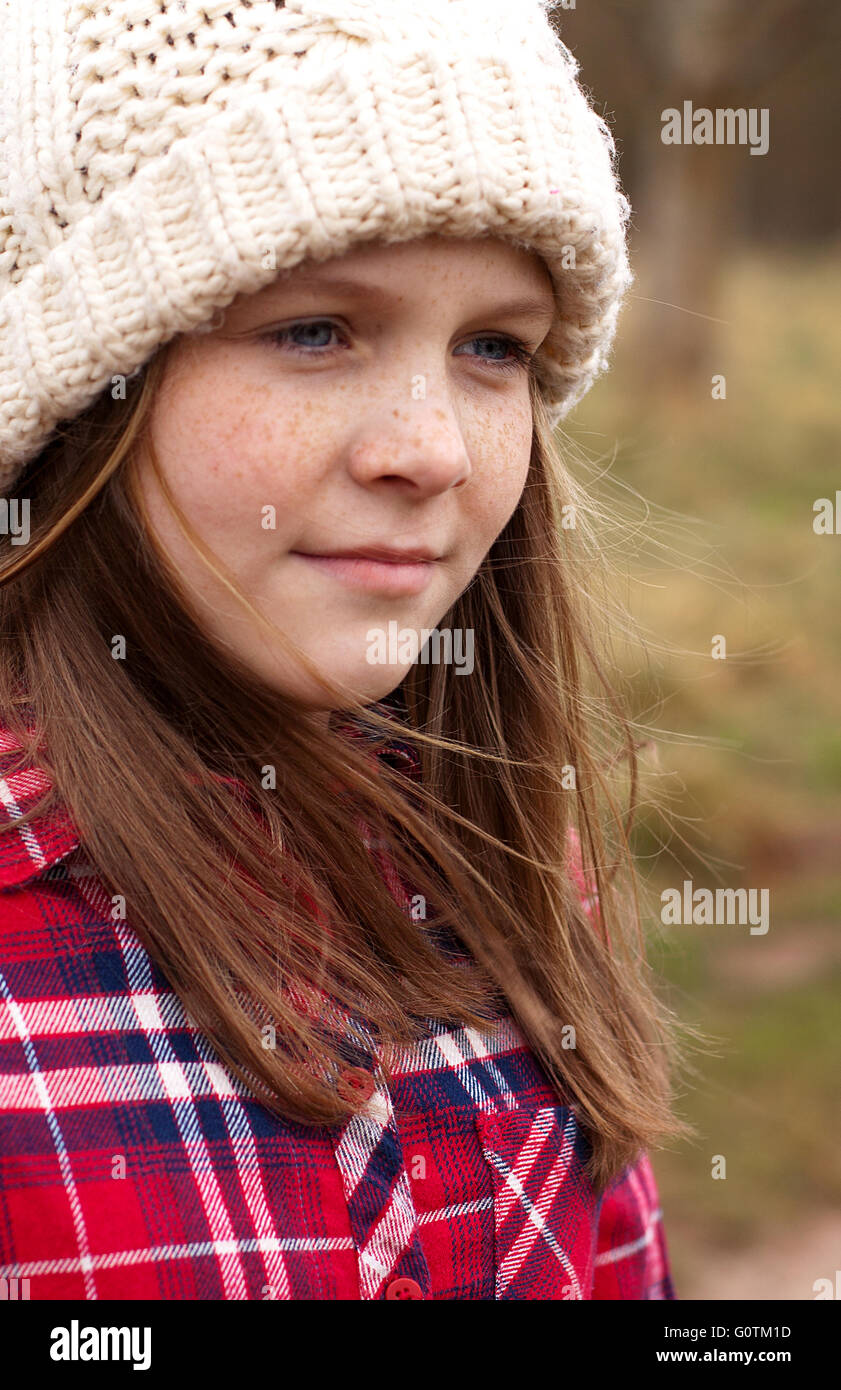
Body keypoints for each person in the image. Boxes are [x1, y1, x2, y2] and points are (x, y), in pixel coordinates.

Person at [0, 0, 688, 1300]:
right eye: (314, 331)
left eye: (494, 347)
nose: (428, 450)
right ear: (74, 387)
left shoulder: (505, 866)